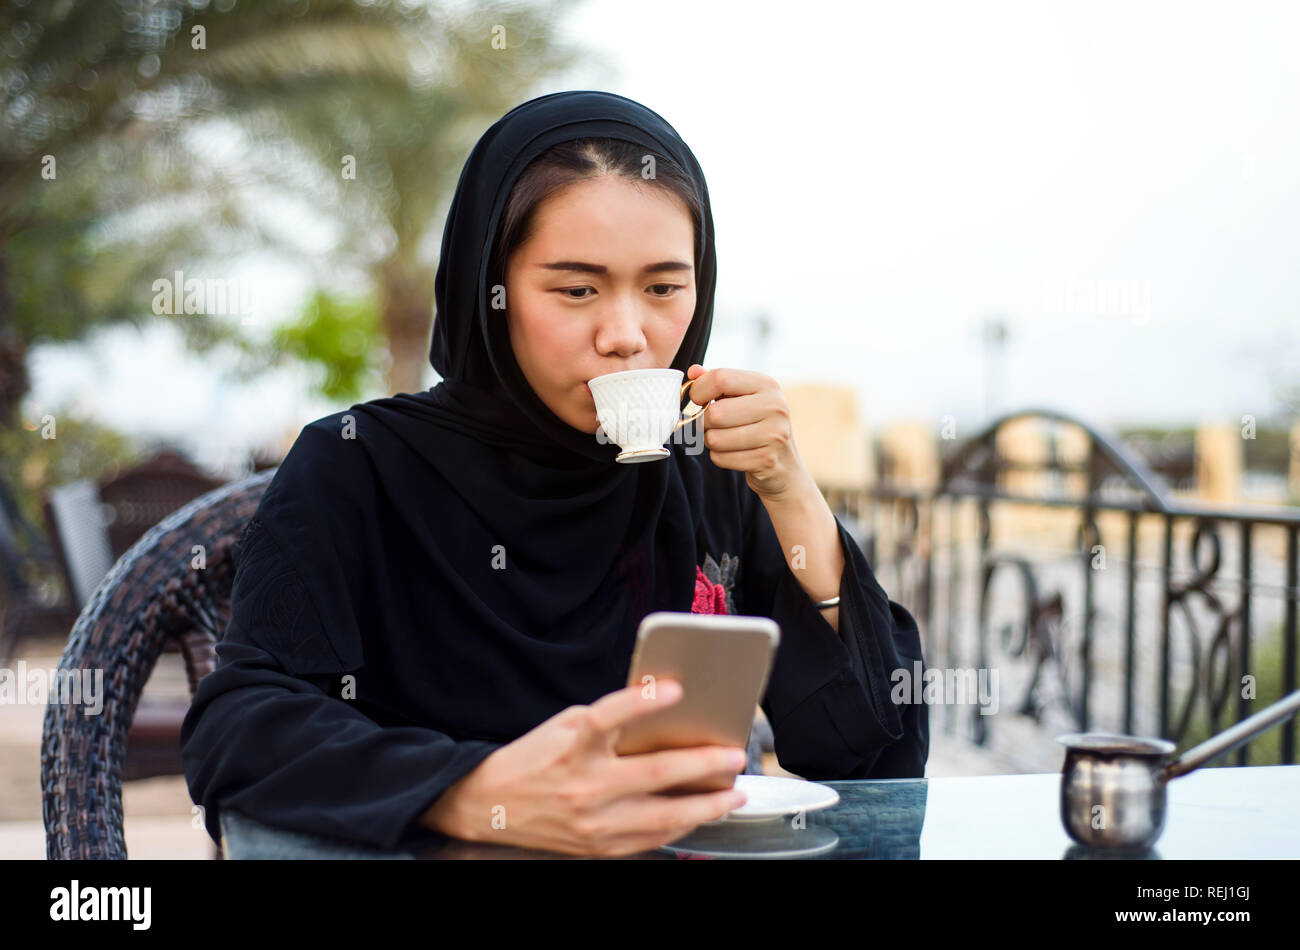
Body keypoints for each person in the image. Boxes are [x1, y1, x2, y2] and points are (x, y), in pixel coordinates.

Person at [180, 90, 929, 859]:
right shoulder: (360, 464)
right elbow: (241, 728)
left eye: (665, 288)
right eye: (576, 289)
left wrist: (792, 493)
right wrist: (480, 793)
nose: (627, 336)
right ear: (490, 291)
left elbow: (869, 759)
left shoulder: (709, 478)